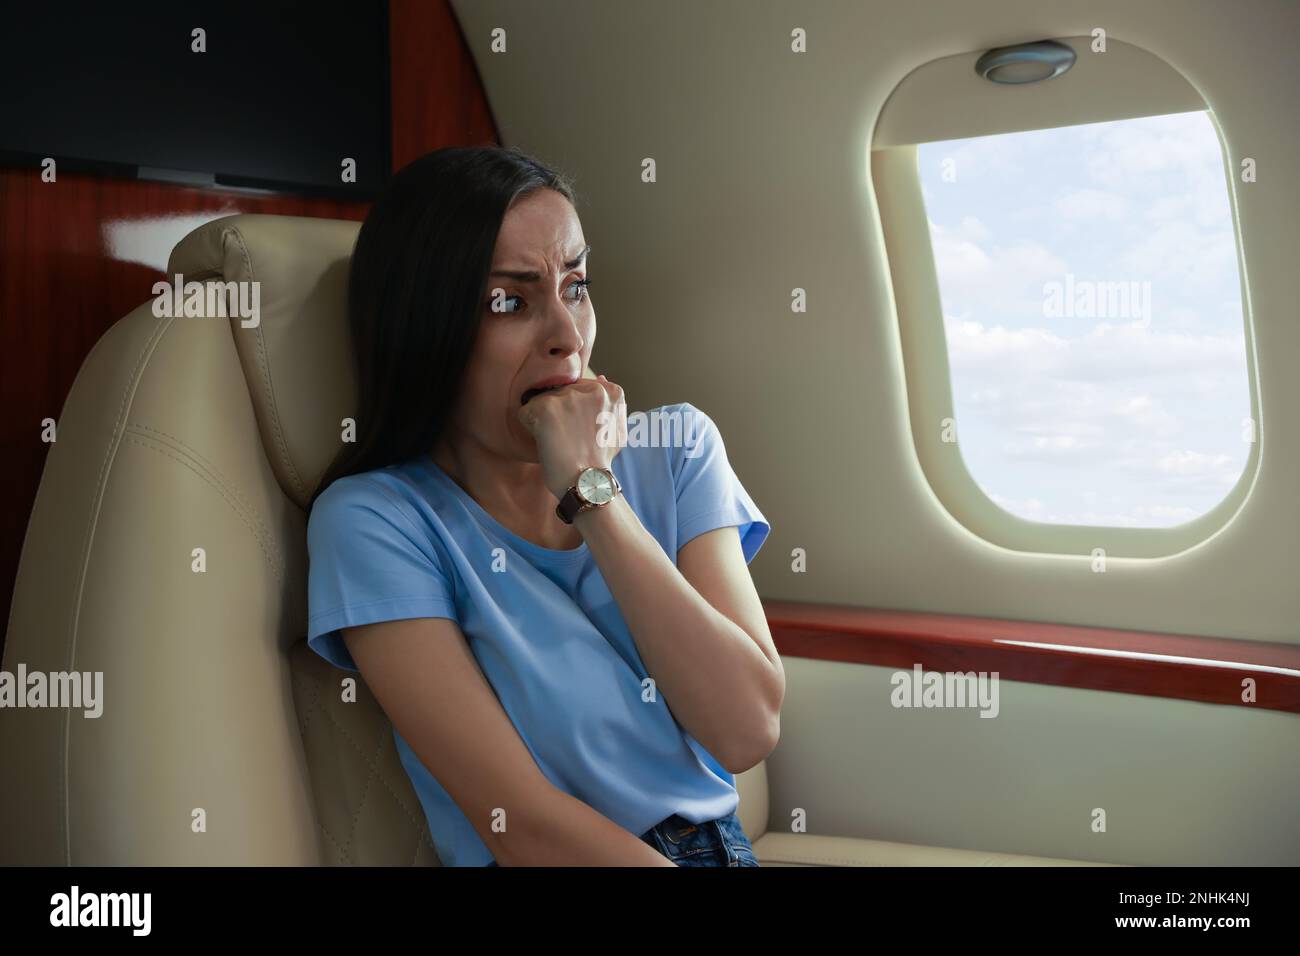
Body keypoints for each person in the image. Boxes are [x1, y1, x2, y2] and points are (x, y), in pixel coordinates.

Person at [305, 145, 781, 866]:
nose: (567, 336)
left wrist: (594, 496)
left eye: (577, 285)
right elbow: (519, 824)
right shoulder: (376, 521)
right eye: (511, 301)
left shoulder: (679, 446)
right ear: (426, 329)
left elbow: (745, 730)